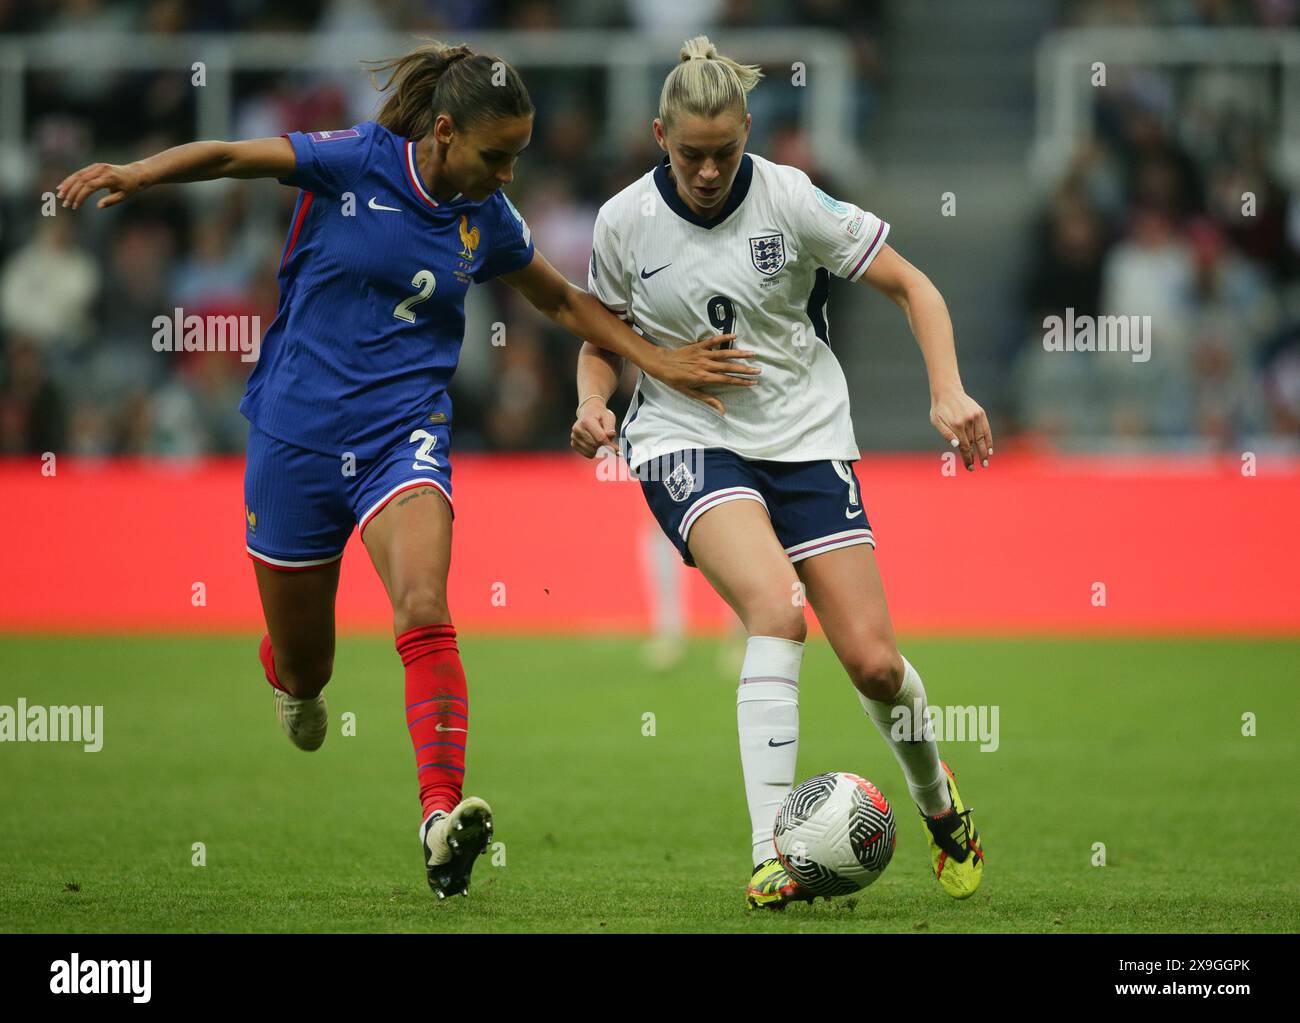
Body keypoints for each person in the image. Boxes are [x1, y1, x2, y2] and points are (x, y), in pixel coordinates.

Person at [58, 41, 757, 900]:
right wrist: (138, 174)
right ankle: (291, 677)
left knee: (424, 606)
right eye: (494, 155)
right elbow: (234, 156)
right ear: (445, 130)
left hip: (404, 434)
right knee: (308, 668)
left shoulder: (486, 219)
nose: (507, 175)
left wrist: (661, 359)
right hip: (292, 436)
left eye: (518, 158)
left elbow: (563, 301)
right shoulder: (354, 160)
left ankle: (437, 817)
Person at [570, 36, 990, 909]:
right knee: (775, 608)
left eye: (726, 151)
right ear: (659, 136)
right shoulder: (623, 223)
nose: (711, 169)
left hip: (804, 434)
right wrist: (593, 401)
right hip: (685, 434)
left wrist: (946, 389)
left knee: (875, 664)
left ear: (749, 132)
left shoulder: (791, 198)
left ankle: (939, 804)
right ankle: (770, 852)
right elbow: (600, 337)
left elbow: (916, 287)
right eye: (692, 154)